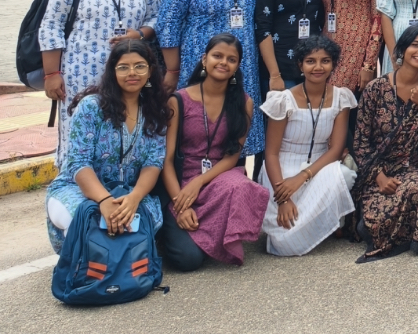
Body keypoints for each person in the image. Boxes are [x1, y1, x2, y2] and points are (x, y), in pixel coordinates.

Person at [39, 0, 159, 163]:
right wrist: (52, 75)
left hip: (129, 71)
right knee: (82, 126)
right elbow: (51, 25)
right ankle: (74, 185)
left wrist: (139, 34)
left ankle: (117, 182)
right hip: (82, 73)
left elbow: (156, 17)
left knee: (122, 125)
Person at [44, 38, 168, 254]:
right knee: (86, 222)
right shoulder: (92, 107)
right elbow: (78, 162)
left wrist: (135, 198)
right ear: (112, 71)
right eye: (123, 67)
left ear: (150, 72)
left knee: (145, 220)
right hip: (78, 190)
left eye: (140, 66)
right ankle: (80, 268)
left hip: (127, 193)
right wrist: (104, 200)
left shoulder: (155, 111)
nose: (132, 72)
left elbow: (153, 163)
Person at [156, 0, 264, 156]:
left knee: (234, 135)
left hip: (242, 66)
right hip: (201, 66)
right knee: (200, 134)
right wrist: (172, 70)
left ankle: (231, 188)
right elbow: (168, 24)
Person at [158, 34, 269, 270]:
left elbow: (231, 157)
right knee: (187, 260)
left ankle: (209, 235)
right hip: (180, 182)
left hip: (216, 178)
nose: (223, 63)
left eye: (231, 59)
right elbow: (166, 160)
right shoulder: (178, 100)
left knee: (242, 185)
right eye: (217, 56)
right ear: (204, 59)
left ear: (238, 65)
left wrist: (199, 183)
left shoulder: (243, 103)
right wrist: (181, 204)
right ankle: (181, 231)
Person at [351, 24, 418, 260]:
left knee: (416, 189)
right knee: (374, 218)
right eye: (415, 45)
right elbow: (361, 143)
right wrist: (379, 176)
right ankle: (402, 219)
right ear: (402, 49)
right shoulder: (375, 89)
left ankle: (413, 214)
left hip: (414, 166)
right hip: (378, 167)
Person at [260, 36, 357, 256]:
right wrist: (283, 197)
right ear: (300, 65)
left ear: (333, 64)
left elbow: (335, 149)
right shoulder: (283, 100)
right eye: (310, 61)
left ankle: (325, 223)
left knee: (346, 174)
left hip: (320, 165)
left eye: (325, 61)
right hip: (283, 168)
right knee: (283, 246)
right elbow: (271, 153)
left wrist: (302, 177)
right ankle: (320, 225)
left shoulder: (341, 98)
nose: (318, 67)